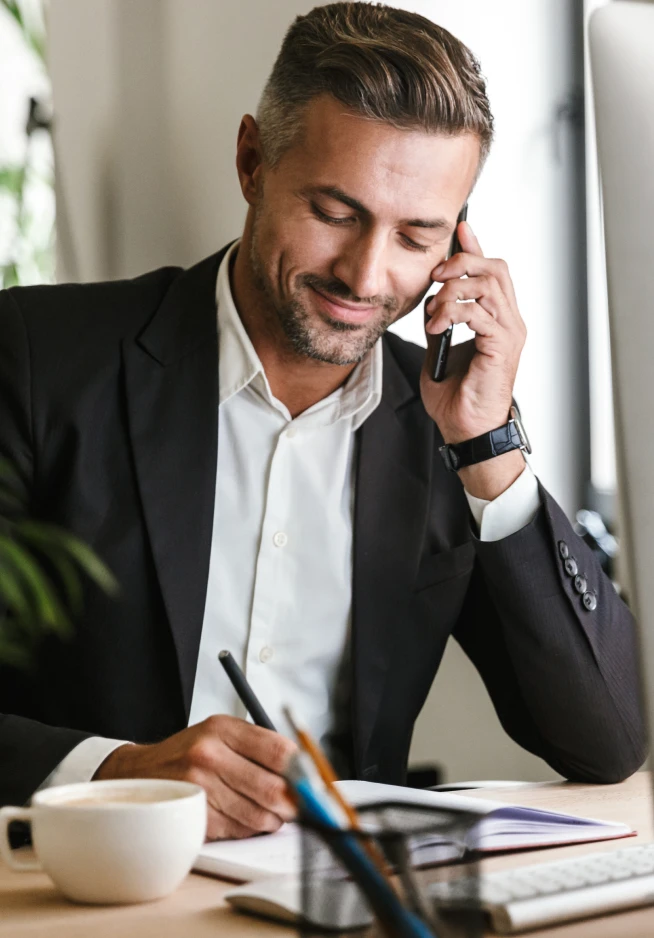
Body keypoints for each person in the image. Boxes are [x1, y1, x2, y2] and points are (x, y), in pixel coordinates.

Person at [0, 2, 645, 840]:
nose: (365, 274)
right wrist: (117, 771)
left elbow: (605, 739)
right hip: (93, 890)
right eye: (337, 213)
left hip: (333, 905)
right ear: (251, 162)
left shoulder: (442, 423)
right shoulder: (39, 357)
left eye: (417, 235)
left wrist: (489, 448)